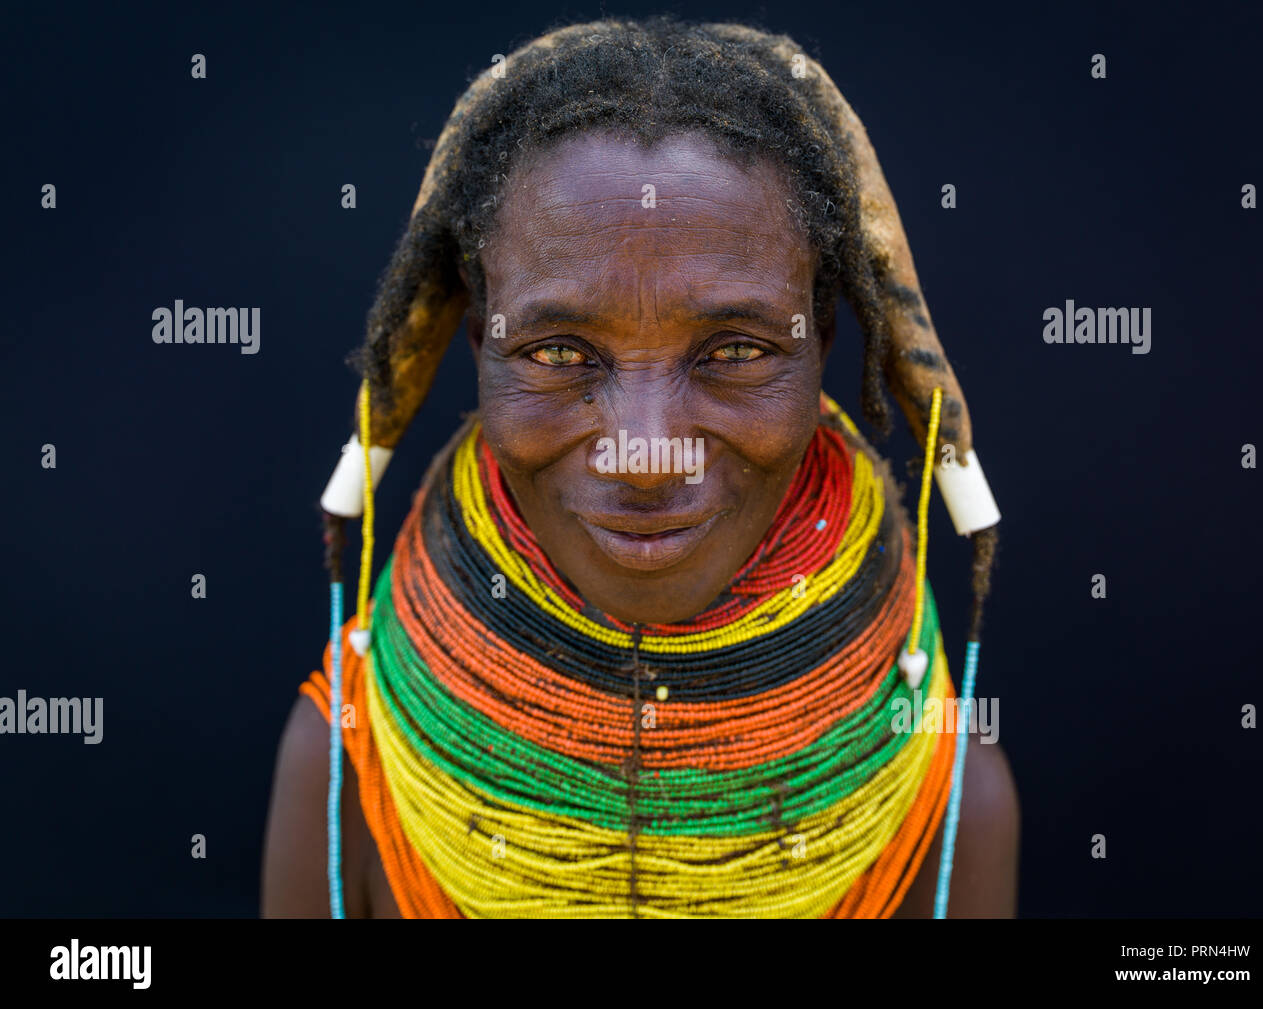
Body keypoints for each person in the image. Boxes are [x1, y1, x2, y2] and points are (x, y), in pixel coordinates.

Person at [262, 16, 1018, 918]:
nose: (647, 452)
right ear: (479, 350)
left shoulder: (947, 798)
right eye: (558, 354)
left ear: (823, 347)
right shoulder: (351, 763)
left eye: (735, 351)